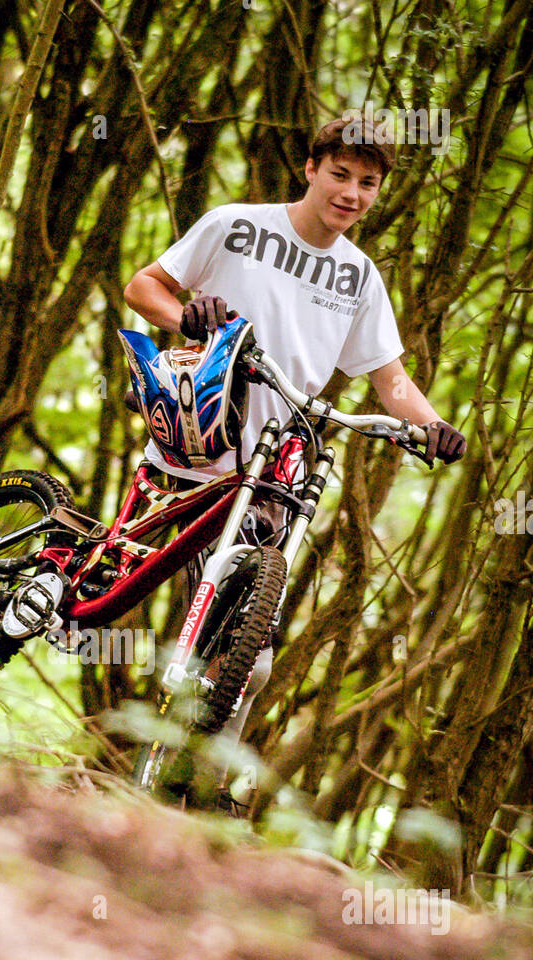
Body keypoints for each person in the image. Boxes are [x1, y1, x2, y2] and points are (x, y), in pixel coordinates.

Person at [122, 113, 466, 807]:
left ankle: (199, 783)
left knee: (250, 654)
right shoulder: (237, 225)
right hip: (201, 439)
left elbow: (388, 379)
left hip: (279, 466)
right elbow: (143, 287)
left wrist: (432, 426)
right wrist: (184, 318)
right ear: (310, 168)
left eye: (368, 183)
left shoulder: (359, 277)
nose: (352, 193)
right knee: (150, 597)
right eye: (340, 174)